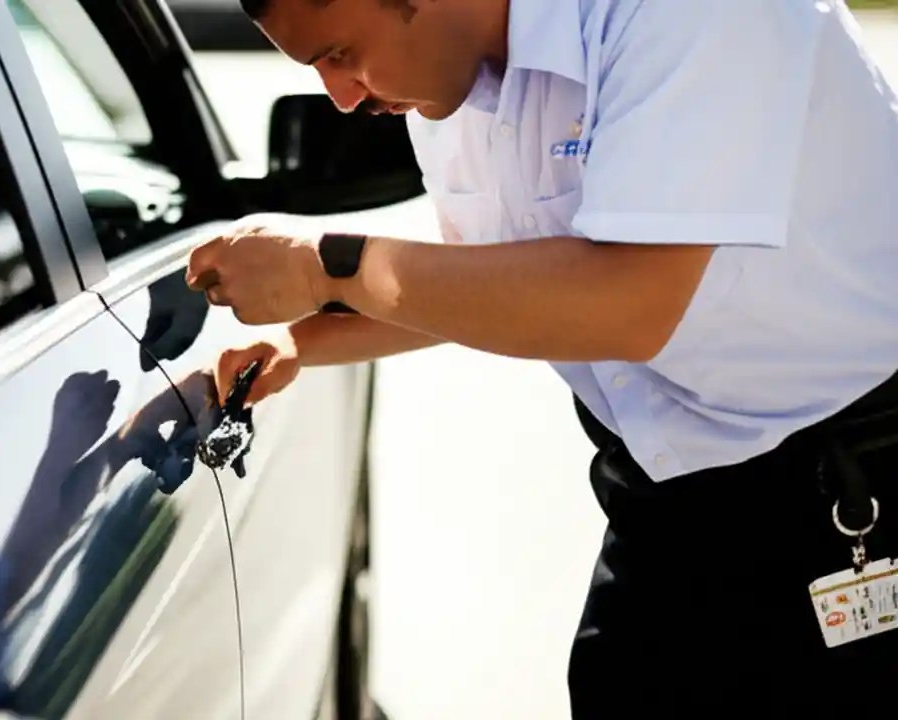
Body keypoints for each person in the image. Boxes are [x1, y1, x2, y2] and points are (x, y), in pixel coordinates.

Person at [187, 0, 898, 715]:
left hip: (856, 493)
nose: (340, 97)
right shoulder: (453, 83)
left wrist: (327, 268)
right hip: (666, 503)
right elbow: (485, 278)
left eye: (338, 54)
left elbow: (627, 304)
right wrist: (299, 339)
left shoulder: (696, 15)